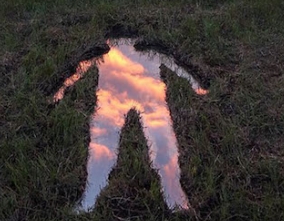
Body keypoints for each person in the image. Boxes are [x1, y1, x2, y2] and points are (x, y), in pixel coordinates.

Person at [53, 37, 207, 211]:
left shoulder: (145, 43)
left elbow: (172, 59)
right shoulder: (108, 45)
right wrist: (61, 88)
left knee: (160, 138)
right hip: (115, 95)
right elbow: (83, 63)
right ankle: (91, 195)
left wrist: (196, 83)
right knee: (105, 141)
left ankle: (173, 193)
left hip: (144, 93)